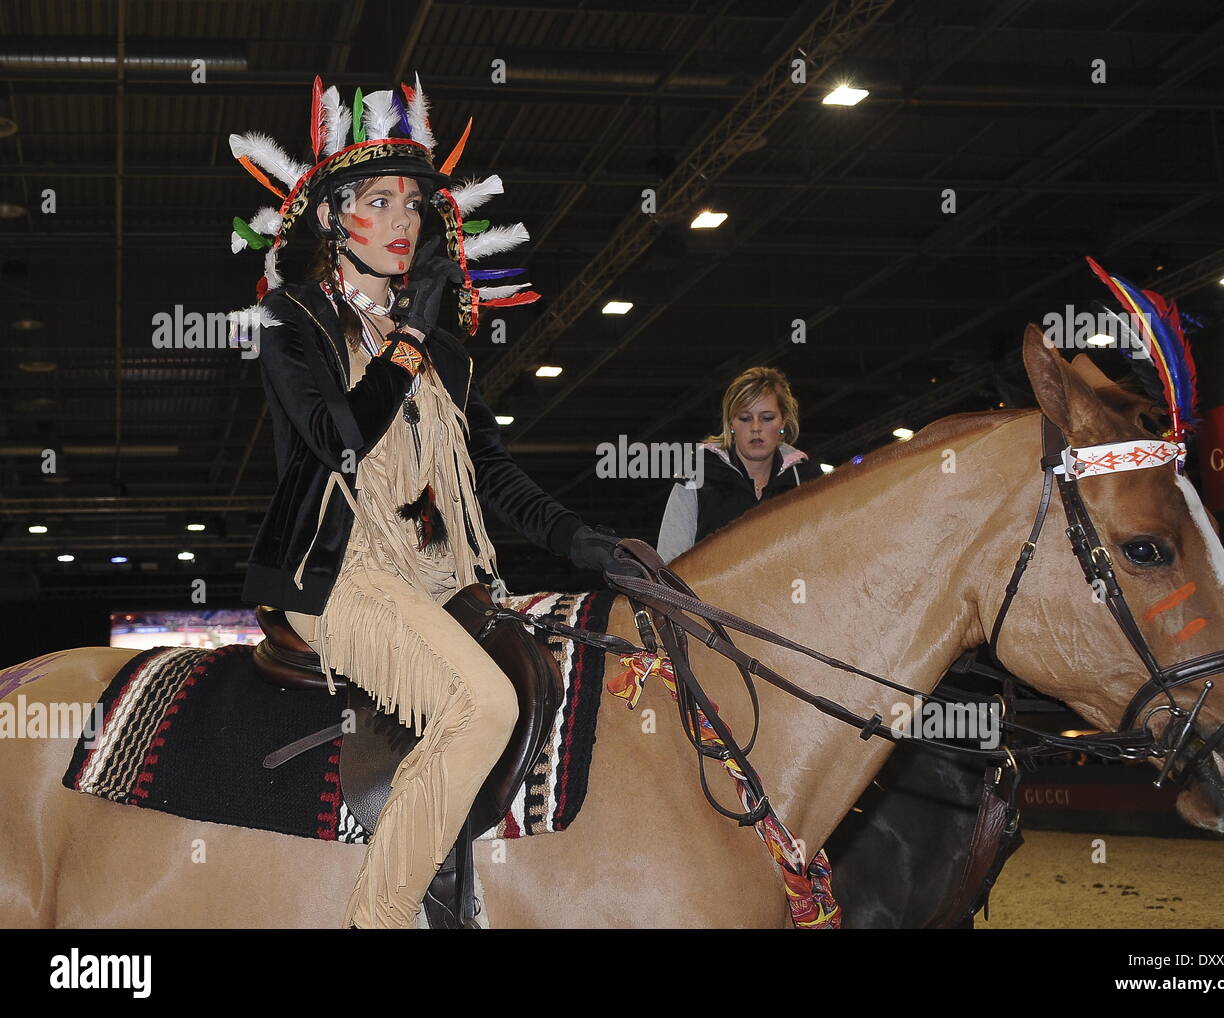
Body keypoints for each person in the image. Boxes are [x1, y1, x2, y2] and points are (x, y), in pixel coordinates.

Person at [228, 75, 623, 928]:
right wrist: (408, 340)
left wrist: (585, 540)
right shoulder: (289, 320)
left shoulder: (442, 347)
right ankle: (379, 918)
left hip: (441, 573)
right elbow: (341, 438)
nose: (405, 220)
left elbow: (493, 474)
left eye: (414, 204)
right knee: (482, 705)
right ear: (333, 220)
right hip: (336, 578)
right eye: (379, 201)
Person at [656, 366, 808, 561]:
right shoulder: (696, 476)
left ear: (783, 422)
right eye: (745, 418)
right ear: (730, 424)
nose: (755, 428)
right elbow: (668, 563)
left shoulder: (804, 480)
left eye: (767, 418)